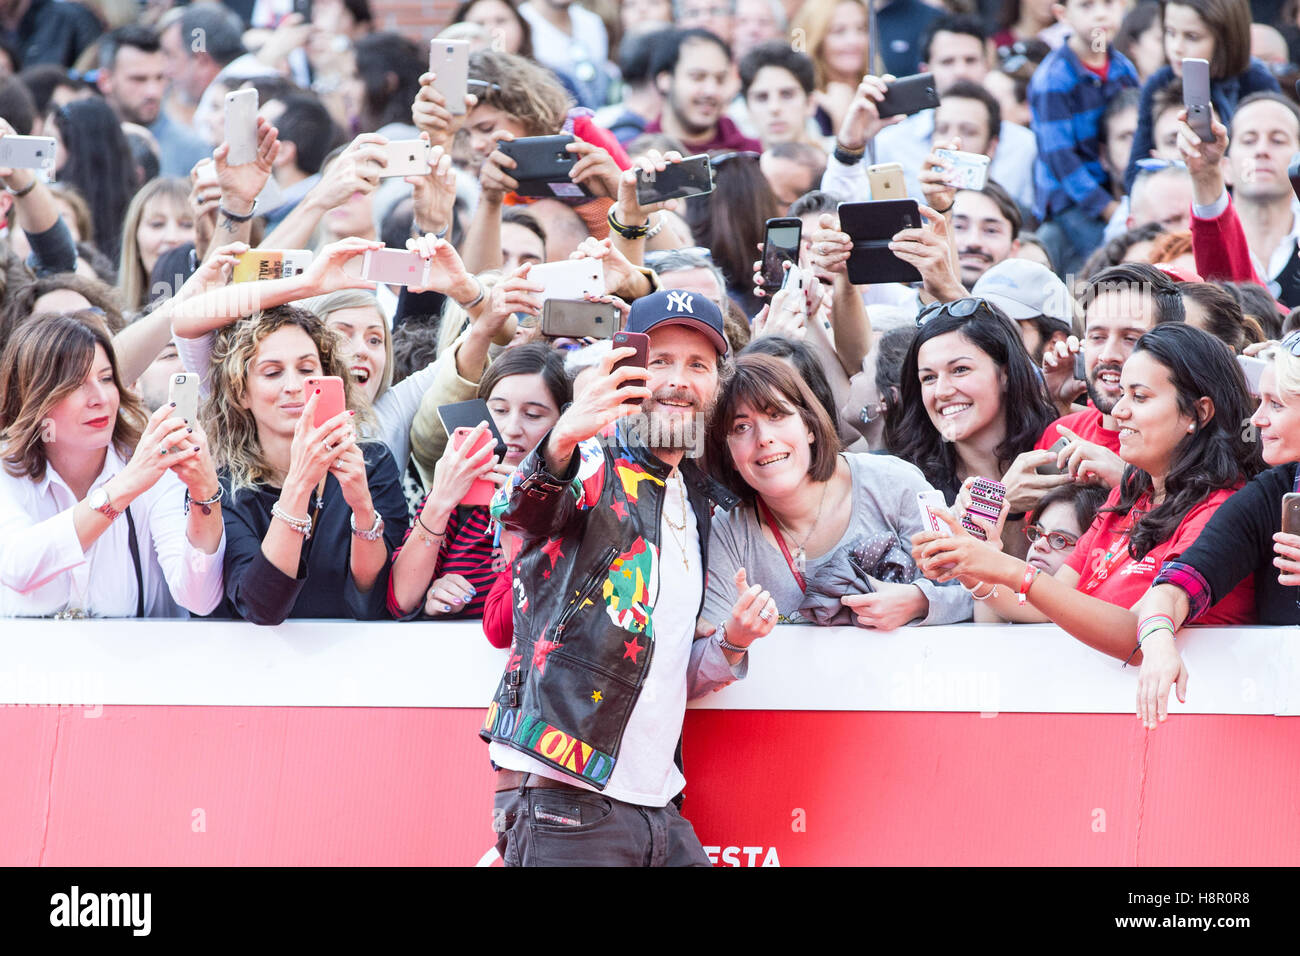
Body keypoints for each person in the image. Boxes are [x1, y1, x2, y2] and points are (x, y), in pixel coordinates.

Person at [486, 289, 770, 868]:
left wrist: (732, 643)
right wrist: (562, 438)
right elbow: (521, 513)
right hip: (566, 799)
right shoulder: (589, 460)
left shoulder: (696, 500)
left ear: (717, 384)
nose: (677, 381)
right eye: (659, 360)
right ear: (623, 370)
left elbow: (658, 666)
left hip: (659, 803)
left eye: (697, 365)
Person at [914, 323, 1260, 658]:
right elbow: (1043, 606)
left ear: (1198, 413)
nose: (1120, 410)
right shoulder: (1129, 497)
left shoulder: (1223, 510)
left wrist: (1008, 569)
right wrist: (970, 564)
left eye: (1139, 397)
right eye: (1122, 393)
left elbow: (1138, 636)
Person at [704, 351, 971, 629]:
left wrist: (919, 601)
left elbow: (979, 592)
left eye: (776, 415)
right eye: (741, 426)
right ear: (727, 454)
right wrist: (733, 639)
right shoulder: (727, 533)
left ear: (809, 425)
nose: (764, 438)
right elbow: (707, 651)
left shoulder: (893, 484)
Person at [0, 312, 224, 618]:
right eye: (76, 384)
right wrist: (125, 486)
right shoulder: (6, 468)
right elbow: (19, 567)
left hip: (140, 663)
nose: (100, 398)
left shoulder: (151, 467)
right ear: (33, 396)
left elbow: (199, 599)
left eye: (106, 379)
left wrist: (205, 493)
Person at [1134, 330, 1300, 727]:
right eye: (1260, 401)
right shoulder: (1271, 493)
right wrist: (1158, 642)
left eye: (1275, 404)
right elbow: (1179, 584)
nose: (1257, 418)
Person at [204, 304, 408, 625]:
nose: (294, 386)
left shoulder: (372, 463)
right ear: (241, 392)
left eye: (307, 370)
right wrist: (300, 483)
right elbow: (261, 606)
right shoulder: (224, 491)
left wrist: (362, 507)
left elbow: (374, 602)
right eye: (272, 372)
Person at [388, 344, 569, 620]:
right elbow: (401, 601)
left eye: (532, 415)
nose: (511, 429)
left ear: (563, 420)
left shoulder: (574, 500)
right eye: (499, 410)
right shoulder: (457, 492)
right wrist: (435, 600)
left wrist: (519, 511)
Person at [884, 297, 1058, 562]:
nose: (942, 391)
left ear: (1006, 374)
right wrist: (997, 503)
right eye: (928, 377)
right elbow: (940, 581)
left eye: (960, 370)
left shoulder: (1053, 452)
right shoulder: (905, 484)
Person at [1028, 0, 1138, 276]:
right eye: (1086, 5)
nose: (1101, 13)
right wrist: (1107, 208)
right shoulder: (1053, 79)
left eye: (1109, 3)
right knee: (1105, 266)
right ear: (1062, 14)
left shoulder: (1123, 69)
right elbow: (1060, 159)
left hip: (1115, 187)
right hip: (1071, 199)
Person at [1123, 0, 1278, 193]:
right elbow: (1134, 174)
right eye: (1170, 33)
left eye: (1192, 37)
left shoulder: (1256, 82)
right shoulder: (1159, 83)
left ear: (1224, 38)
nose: (1176, 47)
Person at [644, 28, 762, 153]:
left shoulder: (752, 156)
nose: (711, 91)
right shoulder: (637, 160)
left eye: (720, 79)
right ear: (665, 80)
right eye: (698, 77)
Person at [118, 177, 194, 310]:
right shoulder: (112, 321)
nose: (172, 237)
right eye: (157, 224)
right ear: (134, 238)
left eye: (186, 225)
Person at [738, 40, 821, 149]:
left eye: (787, 95)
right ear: (747, 107)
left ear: (810, 103)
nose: (774, 108)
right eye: (761, 97)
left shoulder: (837, 162)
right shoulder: (732, 165)